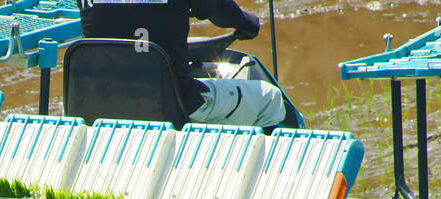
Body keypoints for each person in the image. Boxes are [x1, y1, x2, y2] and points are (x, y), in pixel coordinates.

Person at [79, 0, 286, 128]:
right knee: (270, 98)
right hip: (175, 103)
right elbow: (218, 10)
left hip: (99, 101)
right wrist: (245, 22)